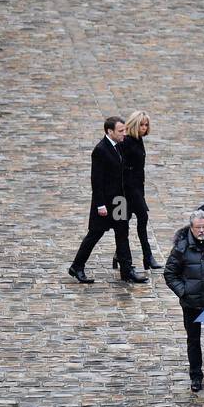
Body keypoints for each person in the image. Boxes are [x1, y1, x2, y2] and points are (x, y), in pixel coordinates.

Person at [68, 117, 148, 286]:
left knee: (122, 234)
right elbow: (96, 181)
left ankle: (126, 270)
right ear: (109, 132)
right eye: (121, 131)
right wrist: (100, 205)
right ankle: (77, 266)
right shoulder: (100, 150)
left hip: (119, 201)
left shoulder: (120, 146)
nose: (124, 133)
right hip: (105, 203)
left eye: (125, 130)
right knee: (94, 234)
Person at [163, 211, 204, 392]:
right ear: (191, 227)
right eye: (198, 227)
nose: (201, 231)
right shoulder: (182, 247)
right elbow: (170, 273)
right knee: (193, 341)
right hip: (191, 303)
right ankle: (196, 375)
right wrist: (184, 292)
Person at [114, 109, 161, 272]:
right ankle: (146, 255)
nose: (144, 127)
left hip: (137, 188)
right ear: (134, 125)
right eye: (141, 124)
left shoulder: (138, 140)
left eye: (146, 125)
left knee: (133, 222)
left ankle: (121, 255)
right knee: (138, 219)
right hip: (127, 190)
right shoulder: (126, 141)